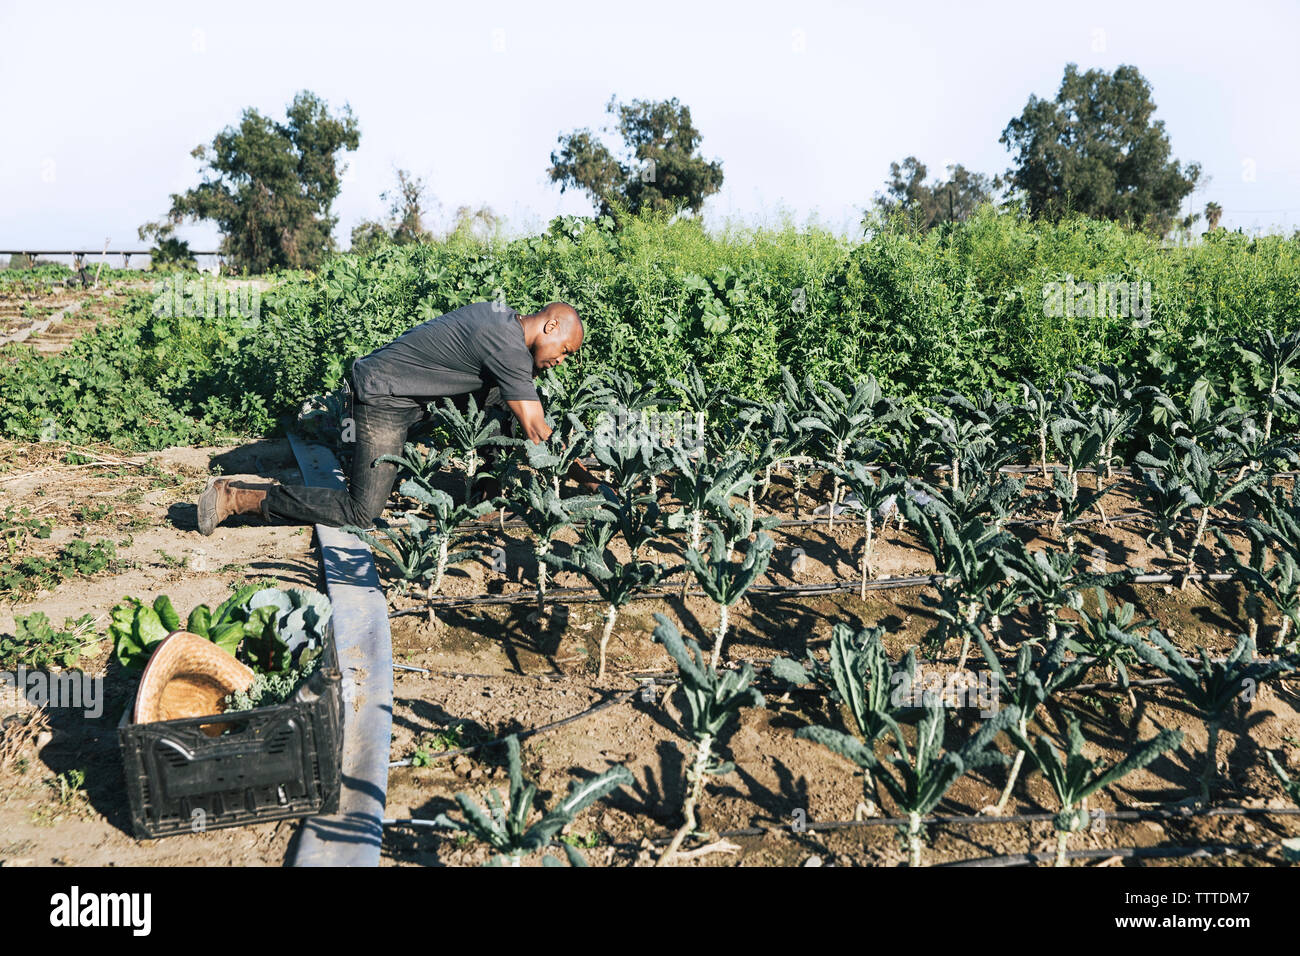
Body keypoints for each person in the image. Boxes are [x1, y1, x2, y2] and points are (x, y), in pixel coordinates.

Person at [196, 300, 604, 534]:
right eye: (565, 350)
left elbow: (518, 411)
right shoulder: (509, 348)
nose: (560, 362)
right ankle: (234, 496)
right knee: (362, 512)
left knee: (501, 401)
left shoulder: (503, 323)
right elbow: (537, 430)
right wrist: (587, 480)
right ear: (550, 325)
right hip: (381, 399)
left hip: (405, 398)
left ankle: (483, 496)